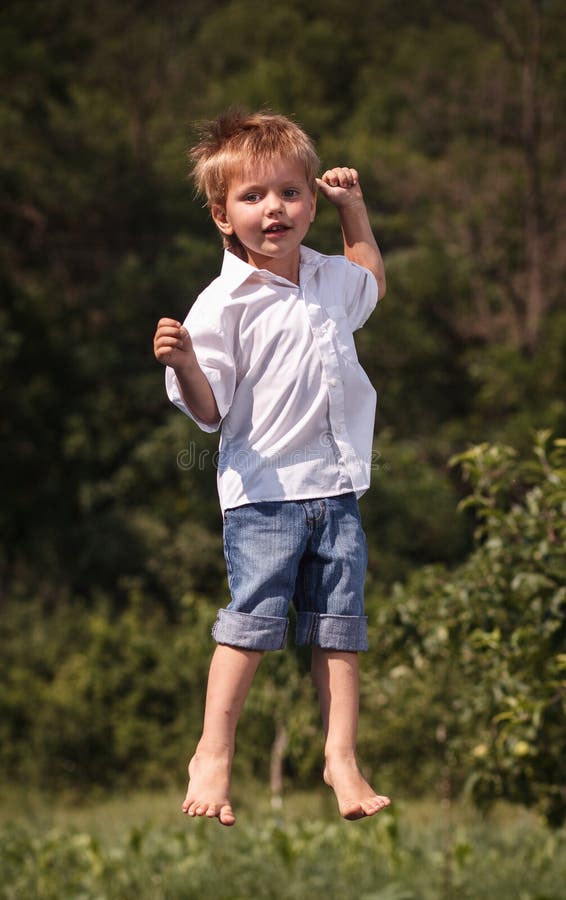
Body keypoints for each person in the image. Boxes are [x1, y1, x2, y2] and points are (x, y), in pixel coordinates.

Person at [153, 109, 389, 826]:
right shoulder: (222, 304)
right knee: (252, 623)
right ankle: (213, 752)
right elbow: (209, 412)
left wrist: (356, 214)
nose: (274, 209)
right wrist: (187, 363)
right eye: (252, 198)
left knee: (338, 628)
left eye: (289, 193)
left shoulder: (327, 277)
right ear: (224, 217)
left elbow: (370, 281)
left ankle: (341, 757)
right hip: (264, 498)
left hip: (338, 489)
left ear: (310, 203)